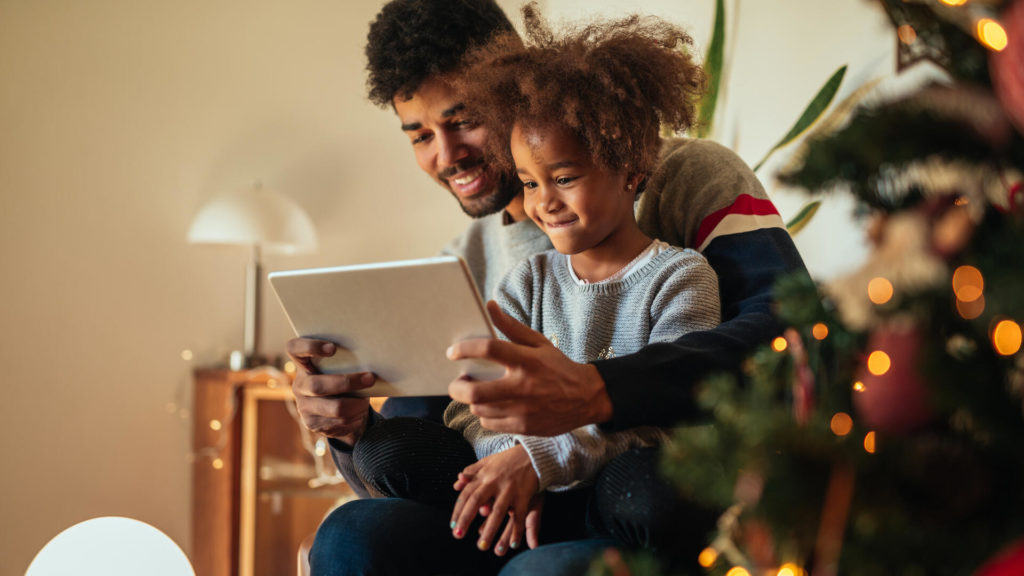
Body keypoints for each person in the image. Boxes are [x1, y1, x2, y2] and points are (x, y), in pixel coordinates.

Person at [288, 0, 807, 574]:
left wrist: (596, 394)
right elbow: (421, 449)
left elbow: (790, 334)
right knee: (352, 534)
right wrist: (348, 426)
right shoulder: (468, 264)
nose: (446, 154)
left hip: (632, 489)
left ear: (512, 90)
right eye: (419, 135)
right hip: (501, 509)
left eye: (462, 120)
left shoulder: (687, 180)